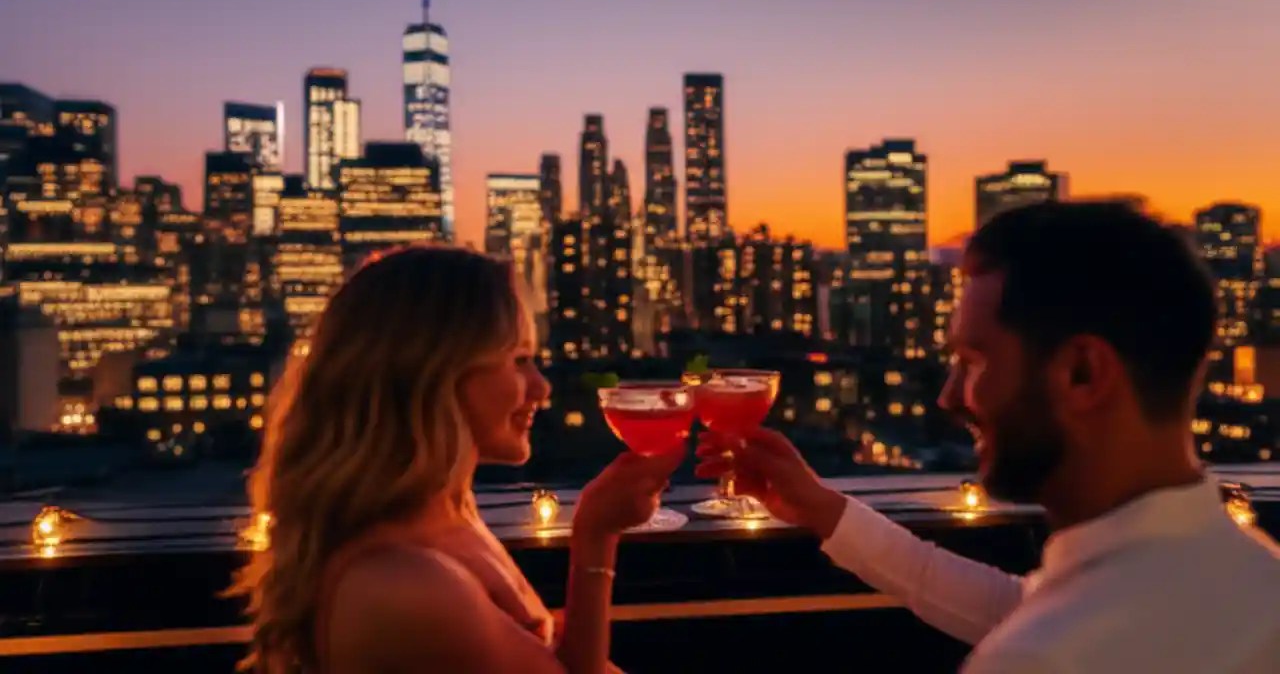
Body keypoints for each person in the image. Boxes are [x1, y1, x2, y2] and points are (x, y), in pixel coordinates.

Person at [698, 202, 1280, 672]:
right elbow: (1017, 605)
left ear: (1082, 373)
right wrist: (824, 510)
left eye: (974, 362)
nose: (949, 398)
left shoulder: (1042, 657)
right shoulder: (1254, 577)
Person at [231, 245, 683, 674]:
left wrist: (600, 530)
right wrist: (594, 536)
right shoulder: (404, 583)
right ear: (436, 375)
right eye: (519, 360)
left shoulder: (446, 514)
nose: (542, 389)